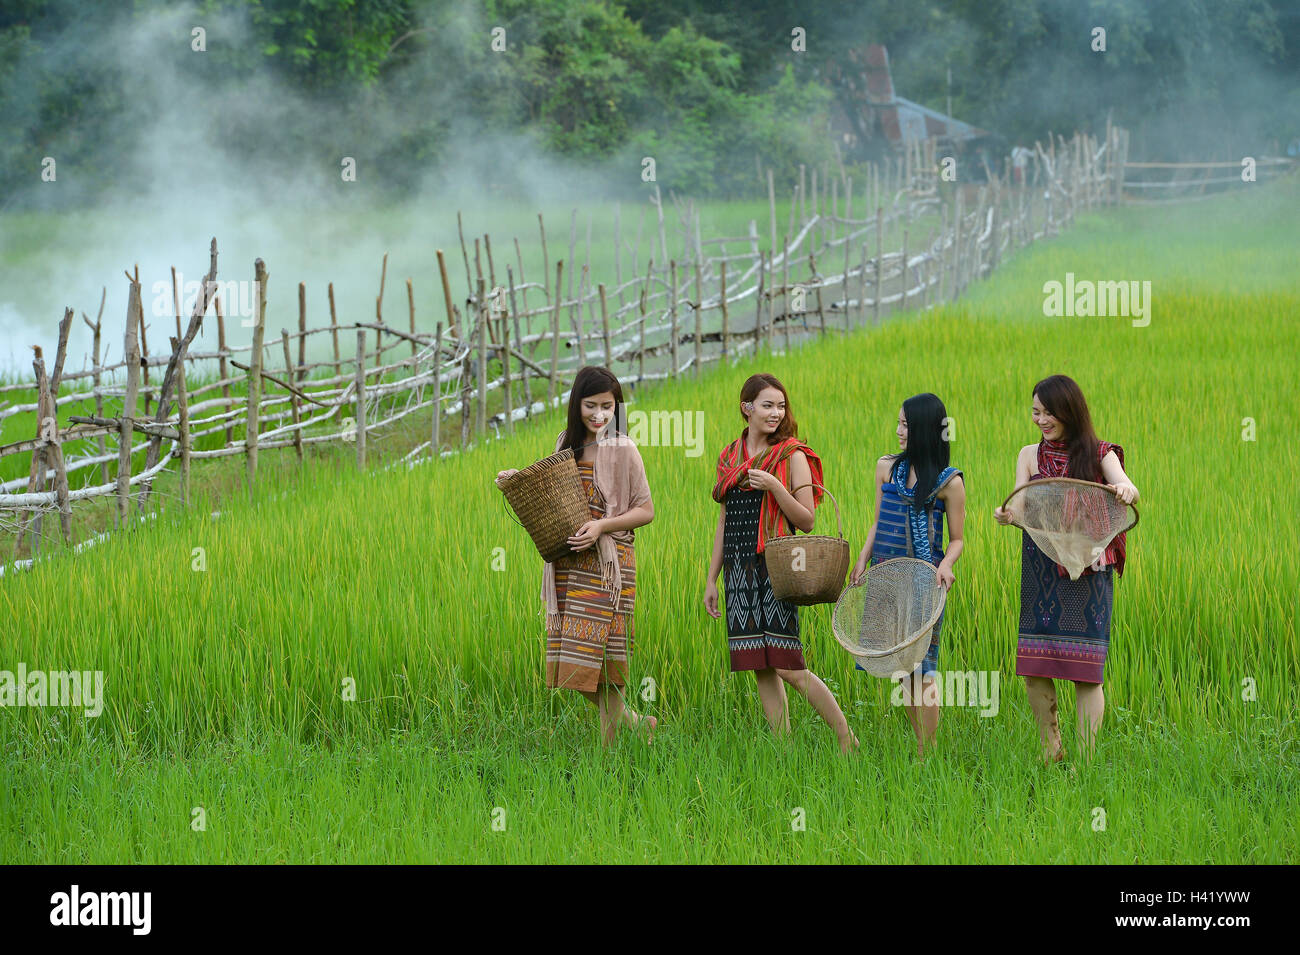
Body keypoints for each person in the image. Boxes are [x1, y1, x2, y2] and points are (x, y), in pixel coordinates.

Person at [495, 366, 656, 745]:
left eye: (607, 406)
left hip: (608, 566)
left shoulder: (623, 448)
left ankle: (609, 758)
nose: (599, 415)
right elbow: (555, 492)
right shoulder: (566, 442)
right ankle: (635, 723)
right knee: (576, 666)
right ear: (576, 404)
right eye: (591, 406)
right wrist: (517, 479)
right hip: (569, 564)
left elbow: (646, 510)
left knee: (604, 667)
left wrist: (601, 526)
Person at [703, 373, 858, 753]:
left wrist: (774, 486)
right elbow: (724, 521)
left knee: (789, 665)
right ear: (747, 409)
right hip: (739, 569)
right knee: (760, 664)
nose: (776, 413)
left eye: (781, 405)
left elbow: (807, 520)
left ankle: (845, 737)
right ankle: (783, 749)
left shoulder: (792, 455)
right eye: (768, 405)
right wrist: (712, 579)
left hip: (777, 566)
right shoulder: (729, 457)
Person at [994, 374, 1138, 764]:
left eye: (1048, 413)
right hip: (1041, 567)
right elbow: (1021, 507)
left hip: (1087, 568)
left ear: (1069, 412)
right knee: (1035, 663)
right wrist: (1007, 516)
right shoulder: (1028, 454)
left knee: (1085, 669)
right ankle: (1051, 748)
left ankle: (1087, 761)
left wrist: (1125, 490)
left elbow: (1127, 487)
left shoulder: (1098, 453)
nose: (1040, 420)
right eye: (1035, 413)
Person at [849, 393, 965, 757]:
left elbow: (958, 539)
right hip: (886, 577)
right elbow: (877, 520)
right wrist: (863, 558)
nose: (899, 431)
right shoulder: (887, 467)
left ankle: (927, 752)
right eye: (898, 423)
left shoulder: (949, 482)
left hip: (922, 582)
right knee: (901, 667)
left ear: (927, 431)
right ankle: (920, 746)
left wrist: (946, 564)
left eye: (906, 425)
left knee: (923, 667)